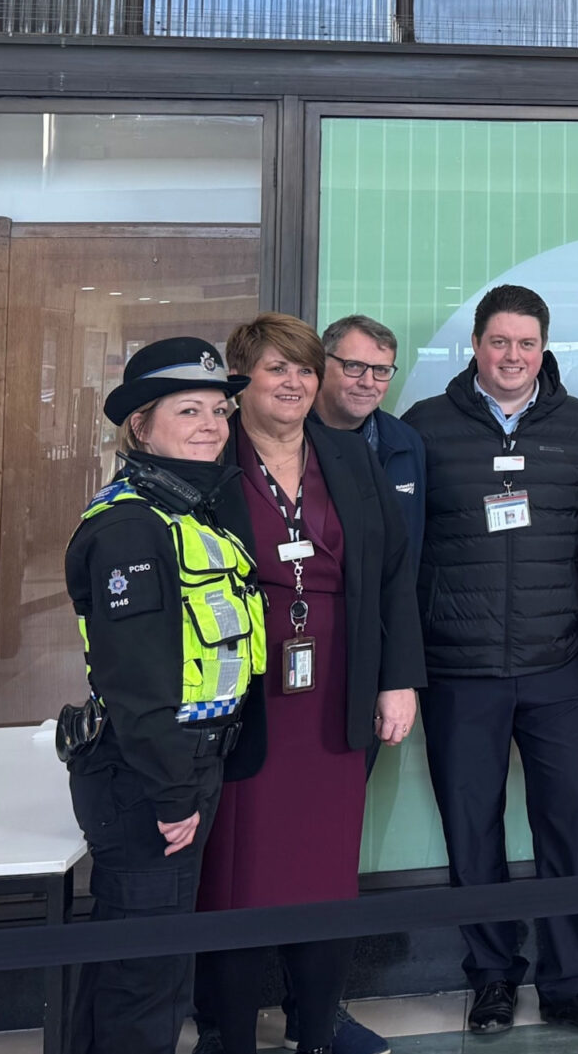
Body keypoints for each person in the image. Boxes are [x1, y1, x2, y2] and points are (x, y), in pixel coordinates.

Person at [404, 285, 578, 1034]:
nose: (512, 356)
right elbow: (401, 555)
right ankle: (492, 977)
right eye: (499, 341)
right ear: (475, 345)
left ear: (544, 348)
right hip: (459, 670)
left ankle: (572, 980)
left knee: (571, 826)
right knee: (472, 829)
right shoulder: (426, 428)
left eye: (526, 343)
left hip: (559, 666)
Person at [190, 314, 425, 1054]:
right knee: (239, 873)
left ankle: (316, 1027)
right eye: (274, 369)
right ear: (241, 380)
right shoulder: (210, 459)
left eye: (302, 369)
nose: (293, 382)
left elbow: (393, 574)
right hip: (243, 696)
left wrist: (399, 681)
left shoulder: (348, 457)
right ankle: (229, 1034)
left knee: (326, 869)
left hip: (337, 688)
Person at [59, 338, 256, 1054]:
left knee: (141, 960)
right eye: (189, 409)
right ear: (141, 425)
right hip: (151, 775)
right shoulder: (131, 526)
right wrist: (175, 791)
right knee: (145, 976)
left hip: (182, 763)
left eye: (218, 409)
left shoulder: (188, 510)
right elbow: (135, 681)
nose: (212, 423)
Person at [318, 313, 427, 559]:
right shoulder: (291, 439)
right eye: (354, 366)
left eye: (381, 370)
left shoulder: (407, 444)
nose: (368, 382)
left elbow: (412, 549)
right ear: (321, 364)